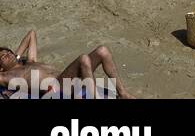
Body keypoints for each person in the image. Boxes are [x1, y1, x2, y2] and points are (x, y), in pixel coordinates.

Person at [0, 31, 134, 99]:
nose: (7, 54)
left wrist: (15, 56)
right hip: (56, 91)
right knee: (83, 59)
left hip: (69, 80)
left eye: (8, 52)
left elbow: (32, 34)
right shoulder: (5, 76)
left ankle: (123, 93)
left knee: (102, 51)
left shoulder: (31, 61)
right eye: (3, 56)